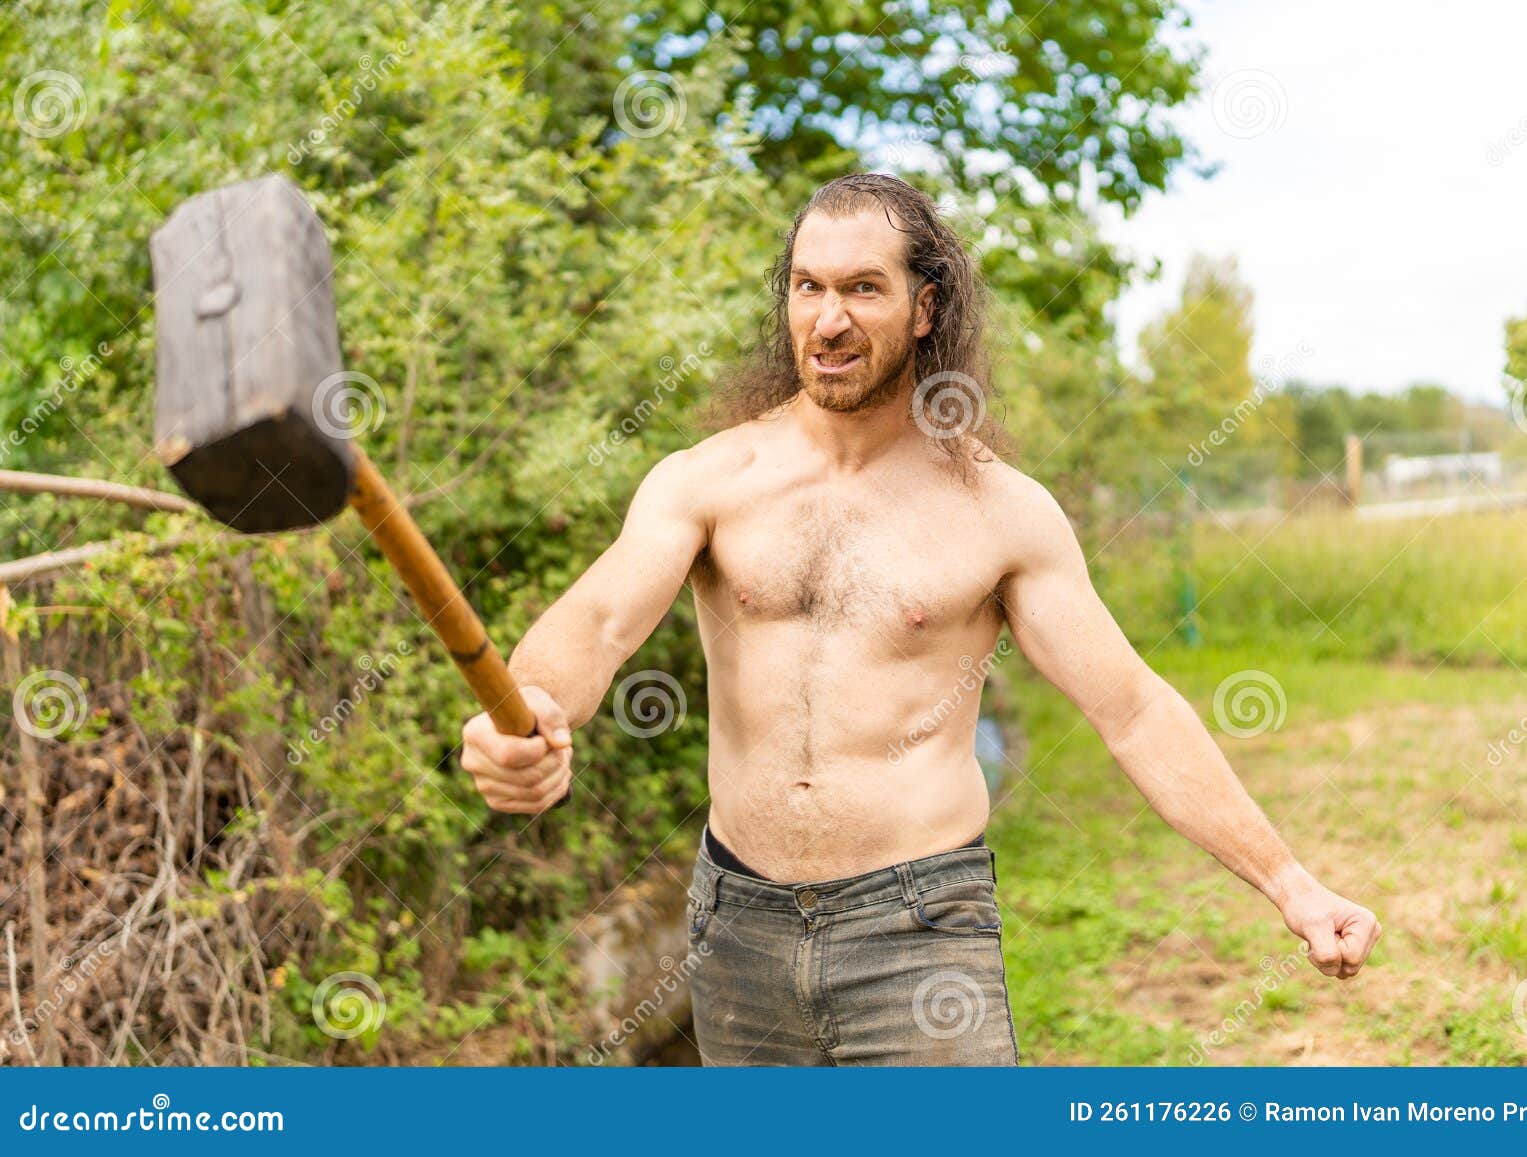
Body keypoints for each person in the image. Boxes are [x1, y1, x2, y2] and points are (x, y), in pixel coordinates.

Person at [458, 172, 1381, 1066]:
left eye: (864, 288)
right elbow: (600, 620)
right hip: (738, 926)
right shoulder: (707, 479)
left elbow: (1132, 710)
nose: (829, 319)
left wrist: (1289, 883)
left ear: (926, 308)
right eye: (808, 286)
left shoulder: (999, 510)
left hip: (921, 931)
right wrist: (530, 709)